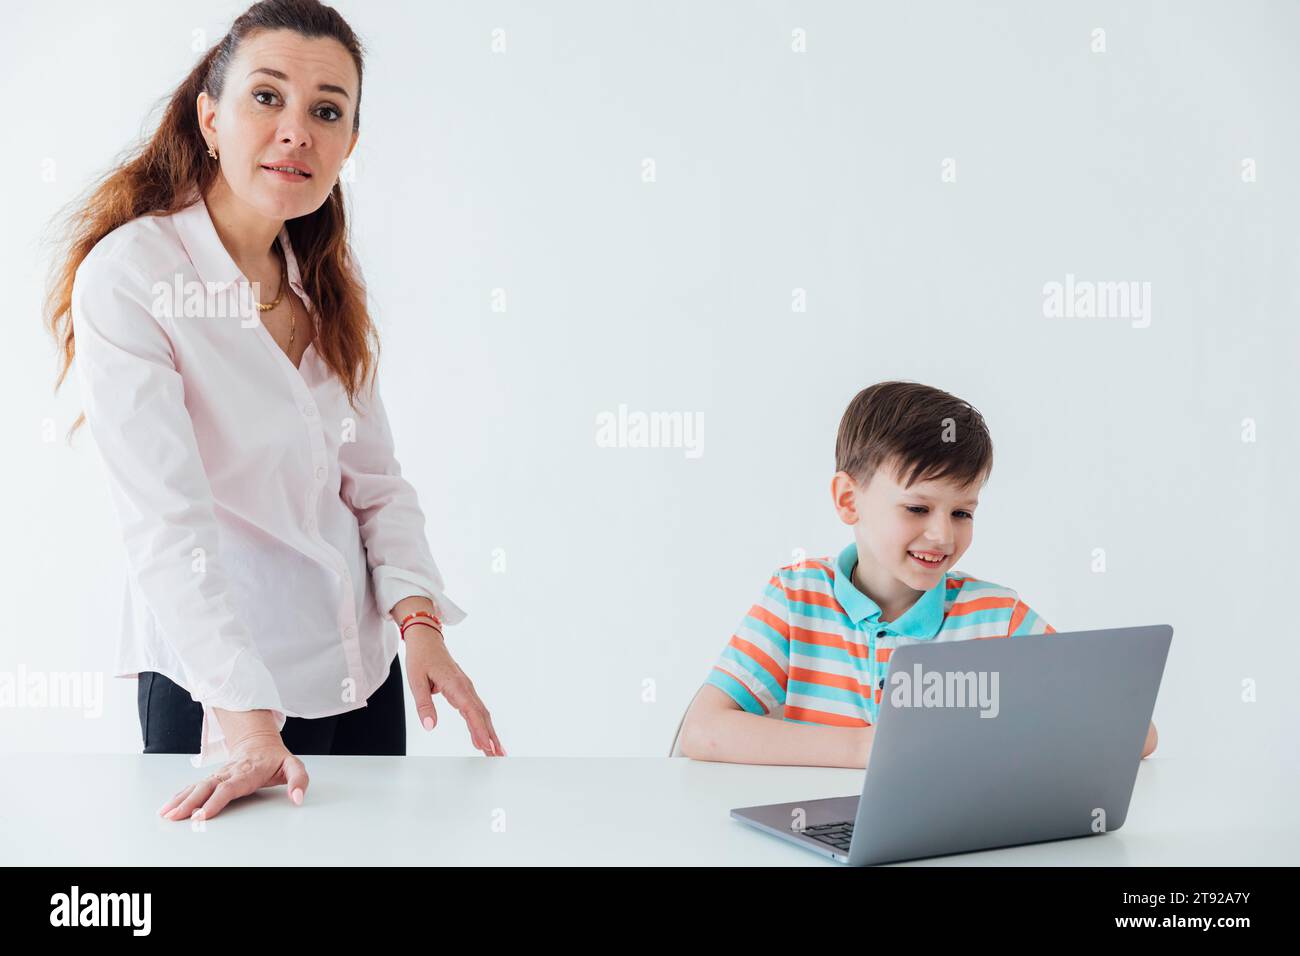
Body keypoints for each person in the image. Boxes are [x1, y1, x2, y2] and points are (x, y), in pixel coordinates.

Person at [44, 0, 503, 823]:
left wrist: (419, 622)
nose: (297, 130)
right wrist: (248, 721)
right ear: (210, 118)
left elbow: (375, 483)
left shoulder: (321, 279)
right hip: (220, 683)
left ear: (349, 146)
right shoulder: (132, 276)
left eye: (327, 111)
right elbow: (166, 522)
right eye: (268, 97)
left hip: (355, 671)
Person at [679, 380, 1158, 766]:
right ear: (849, 500)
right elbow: (702, 731)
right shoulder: (794, 598)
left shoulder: (997, 617)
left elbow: (1137, 732)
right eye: (917, 507)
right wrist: (866, 749)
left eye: (962, 513)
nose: (942, 537)